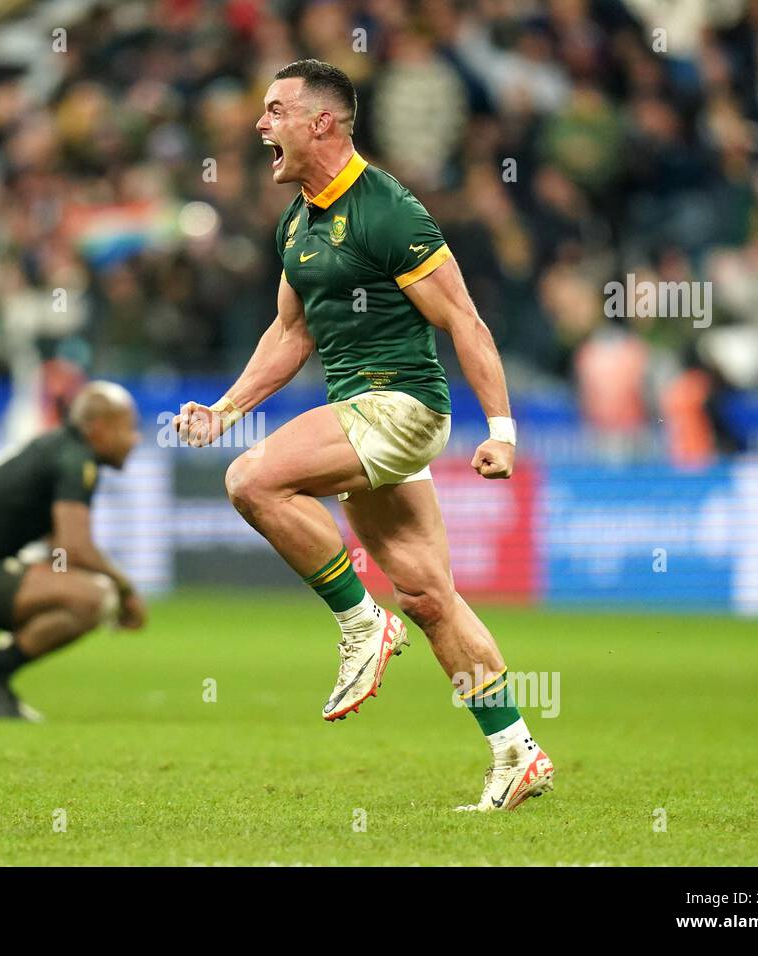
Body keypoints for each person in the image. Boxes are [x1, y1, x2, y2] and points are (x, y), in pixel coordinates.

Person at [174, 60, 554, 812]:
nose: (260, 126)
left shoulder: (388, 211)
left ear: (323, 123)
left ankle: (359, 622)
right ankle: (514, 752)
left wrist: (503, 432)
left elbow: (465, 322)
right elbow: (291, 333)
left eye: (275, 110)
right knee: (429, 595)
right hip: (361, 417)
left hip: (401, 407)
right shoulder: (298, 221)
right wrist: (225, 408)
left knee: (252, 480)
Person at [0, 381, 147, 720]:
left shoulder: (60, 449)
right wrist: (126, 589)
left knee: (85, 591)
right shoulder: (75, 459)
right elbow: (76, 547)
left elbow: (61, 546)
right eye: (128, 428)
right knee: (95, 598)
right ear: (98, 429)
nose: (135, 439)